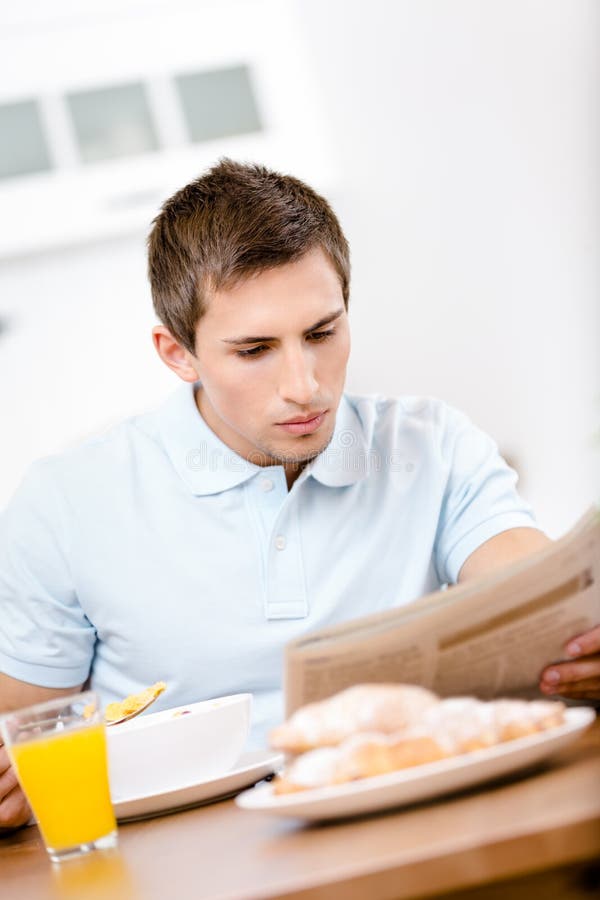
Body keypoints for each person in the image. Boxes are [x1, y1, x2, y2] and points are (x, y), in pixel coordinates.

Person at [1, 160, 598, 831]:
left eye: (321, 333)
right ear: (177, 353)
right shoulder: (65, 502)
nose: (304, 386)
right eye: (254, 350)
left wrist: (583, 644)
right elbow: (24, 734)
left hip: (414, 815)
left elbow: (535, 598)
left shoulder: (432, 445)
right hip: (181, 855)